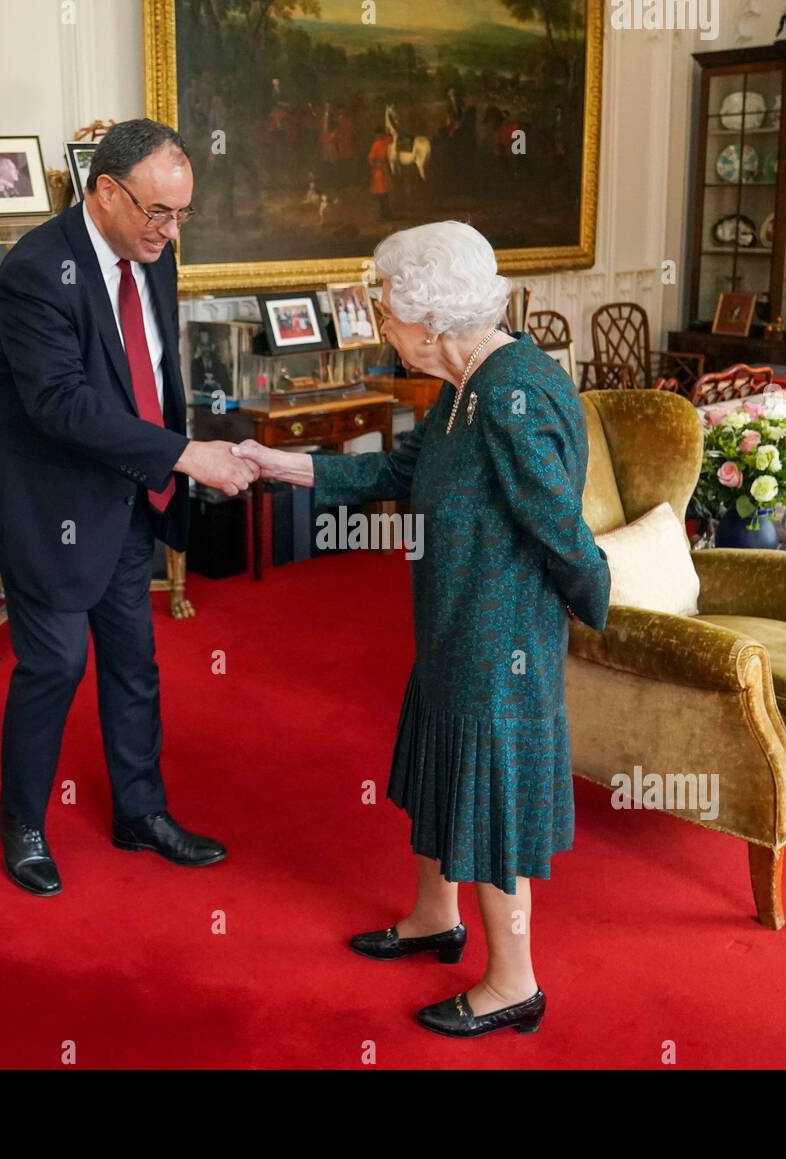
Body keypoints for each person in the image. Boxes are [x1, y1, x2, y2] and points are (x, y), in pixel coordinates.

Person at [233, 221, 610, 1038]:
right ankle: (434, 916)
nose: (377, 318)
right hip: (454, 625)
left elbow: (560, 528)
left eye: (385, 304)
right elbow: (392, 472)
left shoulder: (513, 395)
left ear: (431, 320)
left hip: (499, 641)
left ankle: (515, 982)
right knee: (444, 768)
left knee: (494, 803)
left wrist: (598, 603)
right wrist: (275, 461)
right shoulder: (463, 385)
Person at [0, 119, 257, 896]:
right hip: (46, 501)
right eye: (158, 212)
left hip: (128, 494)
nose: (171, 229)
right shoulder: (34, 270)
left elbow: (153, 371)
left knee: (134, 661)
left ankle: (140, 812)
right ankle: (22, 820)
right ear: (105, 191)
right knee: (56, 663)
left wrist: (169, 460)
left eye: (183, 213)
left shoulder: (155, 254)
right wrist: (183, 455)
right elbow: (61, 402)